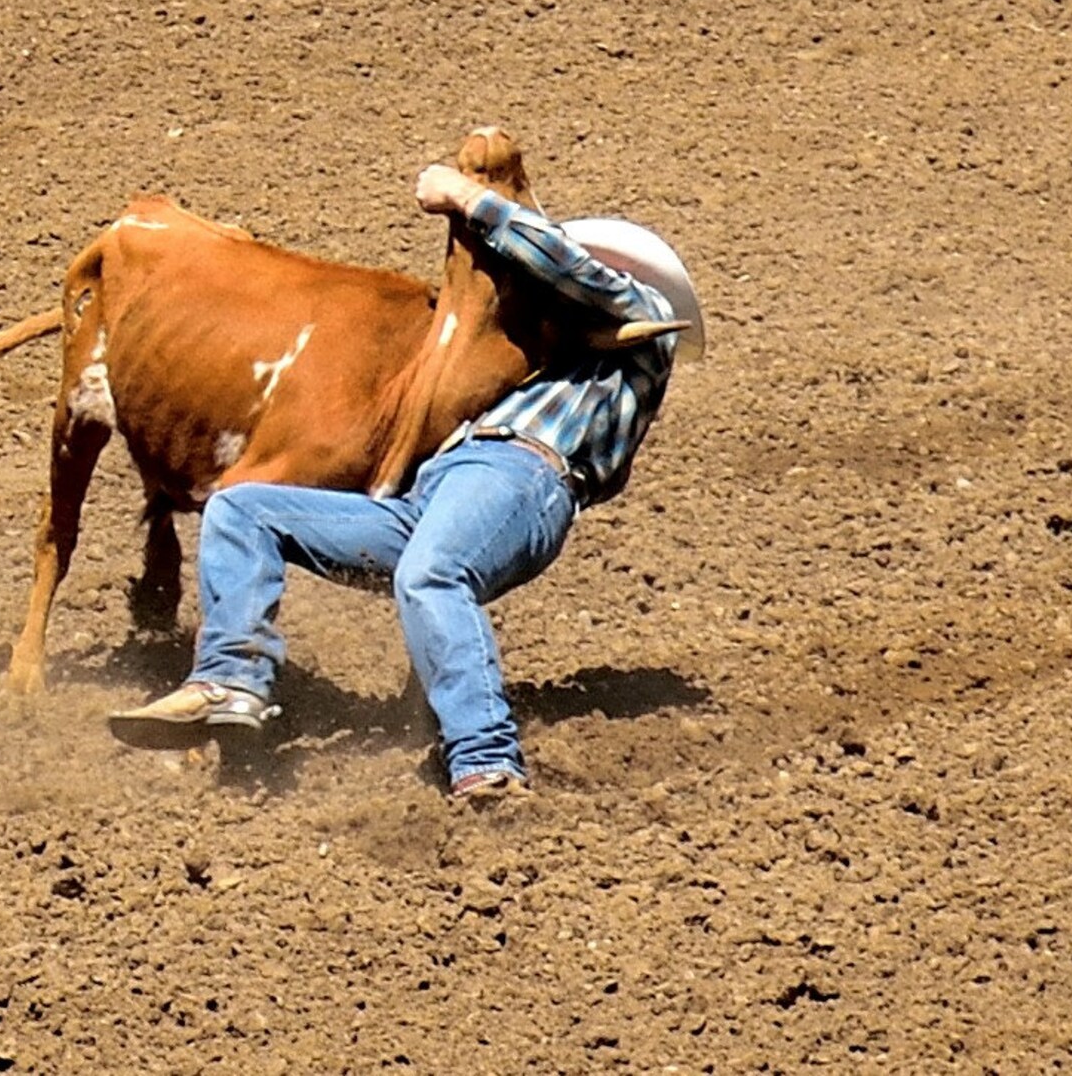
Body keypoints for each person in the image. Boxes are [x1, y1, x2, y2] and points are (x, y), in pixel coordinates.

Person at [109, 163, 679, 801]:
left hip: (522, 476)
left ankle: (487, 761)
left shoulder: (649, 322)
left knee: (431, 575)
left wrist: (469, 199)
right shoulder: (543, 357)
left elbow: (574, 271)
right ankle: (232, 680)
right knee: (242, 509)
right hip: (440, 491)